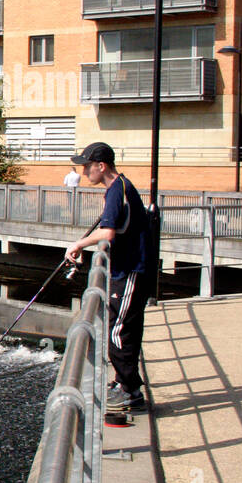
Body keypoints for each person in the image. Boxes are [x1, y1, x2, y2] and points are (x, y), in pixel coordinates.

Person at [64, 142, 150, 412]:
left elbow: (109, 232)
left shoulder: (116, 191)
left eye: (87, 166)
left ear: (102, 166)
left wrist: (78, 244)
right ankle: (124, 383)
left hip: (132, 270)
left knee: (119, 330)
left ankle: (130, 391)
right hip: (127, 268)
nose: (84, 171)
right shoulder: (119, 187)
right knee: (123, 327)